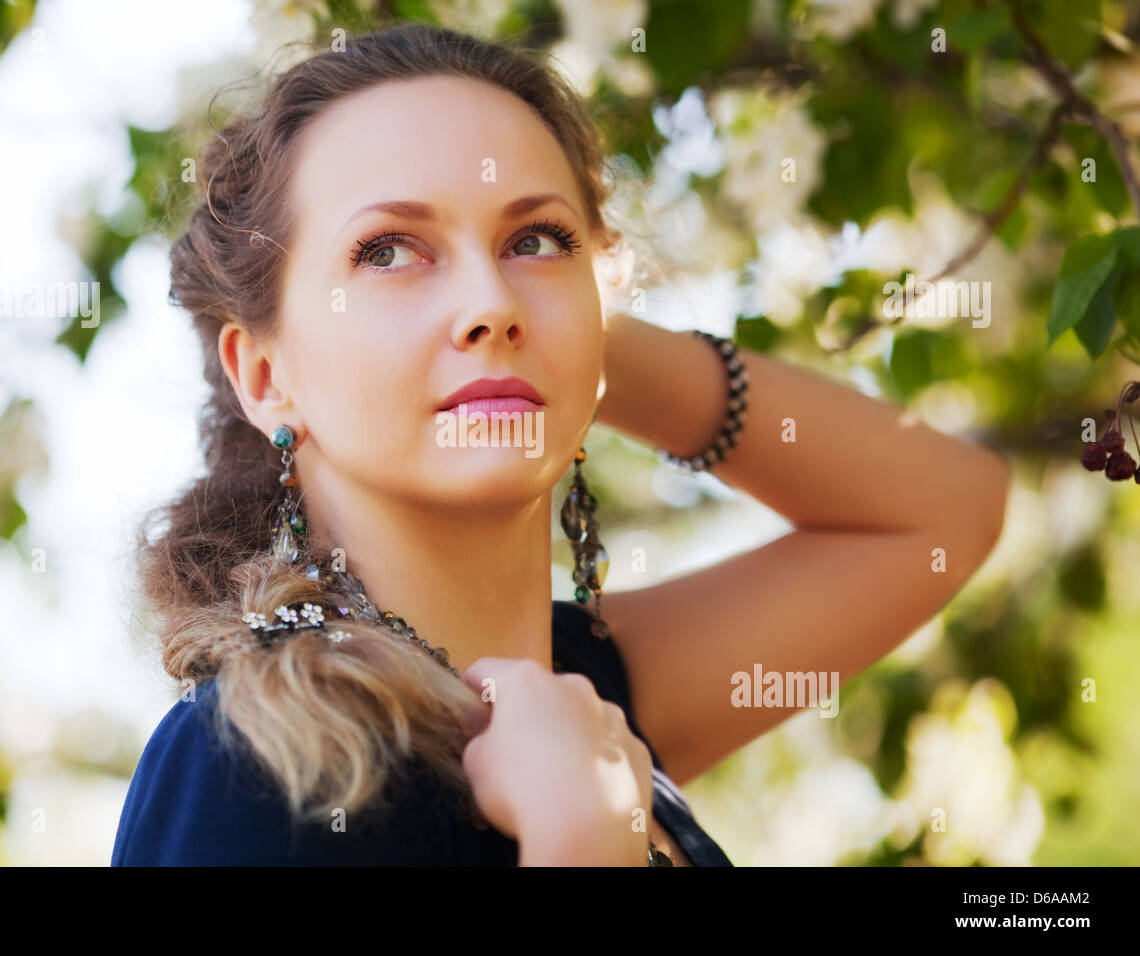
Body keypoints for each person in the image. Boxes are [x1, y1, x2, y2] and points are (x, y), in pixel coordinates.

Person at [112, 23, 1009, 866]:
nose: (493, 304)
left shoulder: (587, 691)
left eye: (535, 238)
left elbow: (943, 510)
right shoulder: (251, 757)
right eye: (388, 252)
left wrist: (566, 334)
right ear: (263, 372)